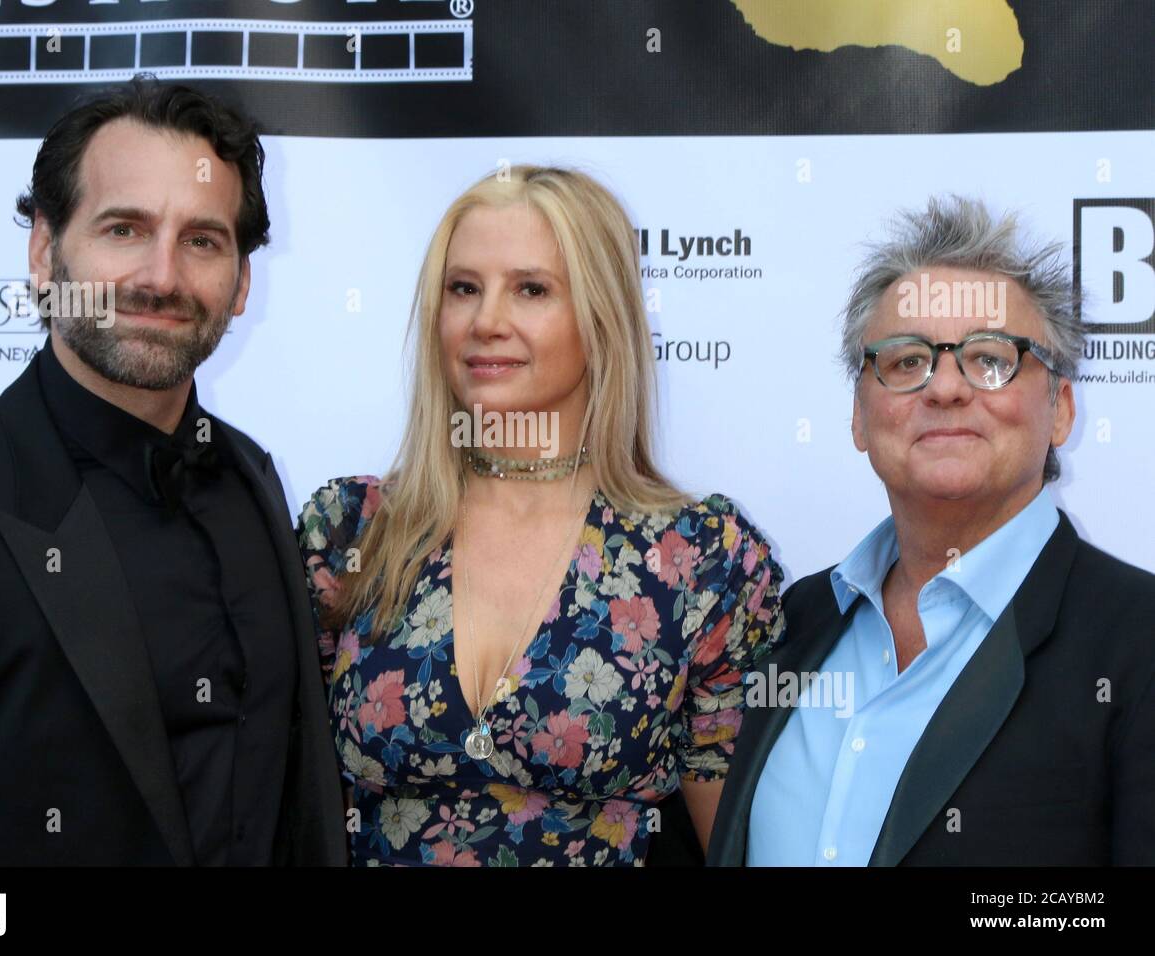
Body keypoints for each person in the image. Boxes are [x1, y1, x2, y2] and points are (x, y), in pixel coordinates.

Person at [0, 75, 345, 865]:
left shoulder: (251, 477)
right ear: (46, 253)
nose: (162, 277)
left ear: (243, 281)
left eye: (203, 240)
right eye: (124, 229)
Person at [296, 165, 786, 866]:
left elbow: (734, 847)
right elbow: (288, 799)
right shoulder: (351, 528)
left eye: (531, 289)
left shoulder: (700, 557)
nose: (485, 320)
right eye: (463, 288)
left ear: (600, 317)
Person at [708, 196, 1155, 866]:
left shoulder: (1139, 641)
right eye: (907, 360)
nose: (945, 388)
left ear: (1061, 409)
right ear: (860, 416)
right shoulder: (793, 622)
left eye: (991, 357)